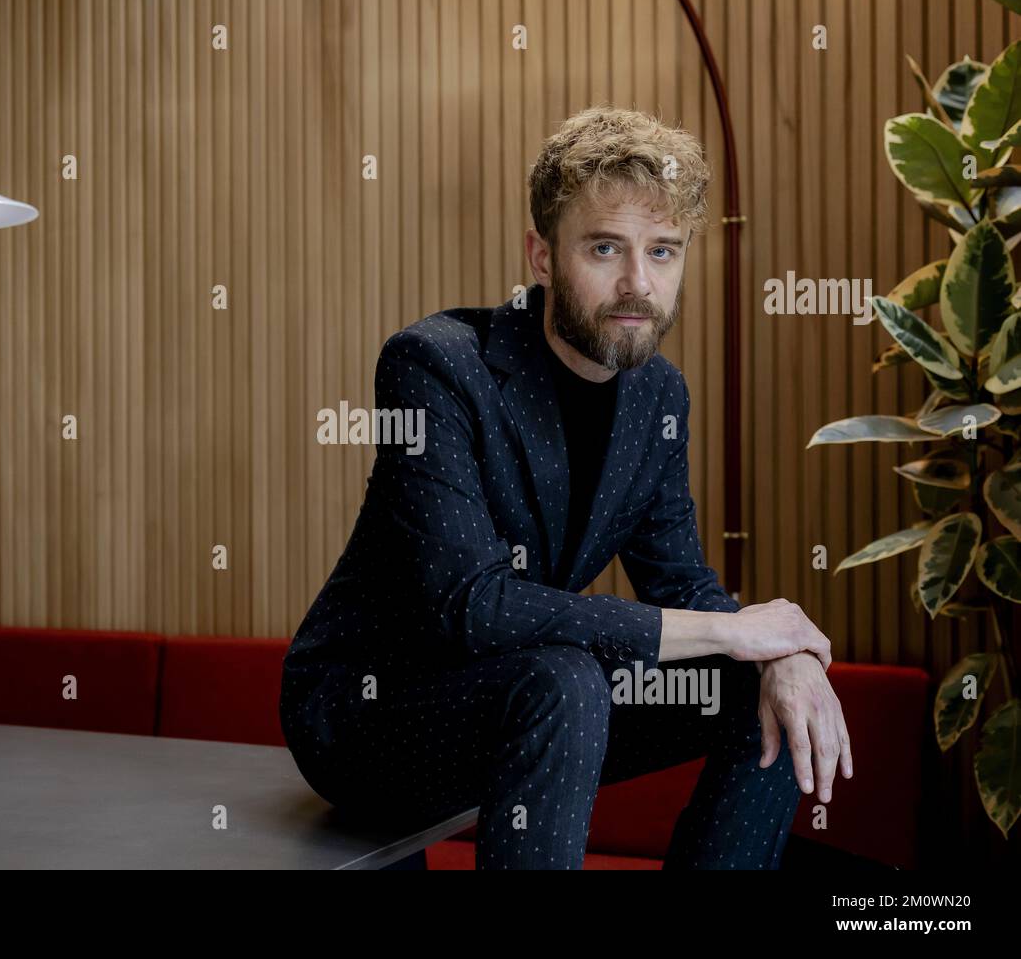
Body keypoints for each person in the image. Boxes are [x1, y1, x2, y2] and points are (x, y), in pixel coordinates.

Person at [279, 106, 852, 869]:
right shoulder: (436, 364)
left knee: (760, 688)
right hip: (369, 714)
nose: (637, 283)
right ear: (542, 255)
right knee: (565, 678)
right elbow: (472, 607)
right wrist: (732, 628)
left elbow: (678, 579)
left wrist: (779, 655)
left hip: (528, 696)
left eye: (663, 251)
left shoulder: (658, 400)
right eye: (606, 247)